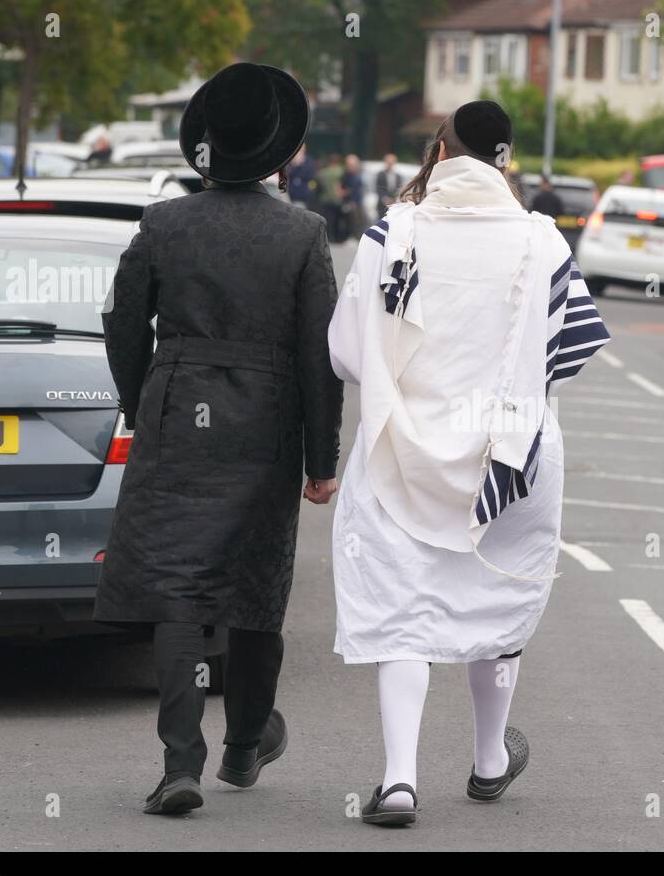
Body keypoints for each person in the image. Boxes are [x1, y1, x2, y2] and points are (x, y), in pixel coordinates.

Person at [327, 100, 610, 827]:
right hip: (510, 456)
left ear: (441, 148)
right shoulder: (542, 240)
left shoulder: (393, 233)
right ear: (505, 158)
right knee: (497, 596)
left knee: (403, 609)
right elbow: (567, 354)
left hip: (401, 455)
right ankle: (488, 760)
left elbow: (346, 352)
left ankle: (398, 781)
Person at [94, 62, 344, 816]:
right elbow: (318, 357)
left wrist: (144, 400)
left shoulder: (162, 224)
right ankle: (243, 745)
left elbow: (121, 320)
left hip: (177, 415)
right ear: (278, 155)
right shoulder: (304, 234)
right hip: (264, 427)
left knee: (177, 590)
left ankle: (180, 765)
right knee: (254, 589)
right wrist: (320, 460)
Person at [317, 153, 344, 241]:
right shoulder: (341, 171)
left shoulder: (323, 173)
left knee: (328, 219)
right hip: (337, 199)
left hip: (325, 199)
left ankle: (329, 237)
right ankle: (338, 237)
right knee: (338, 220)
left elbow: (319, 185)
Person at [340, 153, 365, 240]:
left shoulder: (359, 176)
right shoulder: (345, 176)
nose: (350, 167)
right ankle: (349, 236)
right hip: (347, 202)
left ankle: (356, 236)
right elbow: (342, 189)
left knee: (357, 221)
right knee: (348, 220)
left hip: (357, 202)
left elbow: (357, 190)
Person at [286, 144, 318, 209]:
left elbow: (310, 175)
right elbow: (287, 173)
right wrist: (294, 164)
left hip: (304, 194)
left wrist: (300, 164)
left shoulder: (308, 160)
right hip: (290, 194)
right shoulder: (290, 160)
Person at [375, 152, 401, 218]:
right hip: (382, 205)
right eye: (388, 162)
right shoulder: (380, 174)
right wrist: (384, 198)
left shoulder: (398, 176)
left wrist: (394, 199)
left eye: (391, 162)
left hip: (394, 205)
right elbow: (378, 188)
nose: (390, 164)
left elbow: (399, 189)